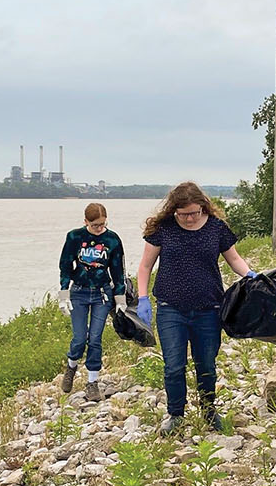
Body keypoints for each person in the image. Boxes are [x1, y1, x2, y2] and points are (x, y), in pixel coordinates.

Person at [137, 182, 255, 436]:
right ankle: (175, 414)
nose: (190, 218)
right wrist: (143, 298)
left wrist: (250, 275)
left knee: (207, 364)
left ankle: (209, 409)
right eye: (184, 214)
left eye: (194, 213)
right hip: (171, 308)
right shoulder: (163, 229)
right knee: (173, 365)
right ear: (174, 211)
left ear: (203, 207)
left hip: (209, 308)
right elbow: (145, 266)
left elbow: (233, 258)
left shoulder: (216, 228)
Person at [58, 202, 126, 402]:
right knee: (80, 337)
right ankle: (71, 366)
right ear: (85, 221)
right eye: (95, 225)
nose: (99, 228)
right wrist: (64, 294)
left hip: (101, 294)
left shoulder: (112, 240)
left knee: (95, 338)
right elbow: (65, 264)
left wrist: (119, 298)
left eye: (103, 224)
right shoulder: (74, 237)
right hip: (79, 292)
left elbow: (118, 270)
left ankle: (92, 382)